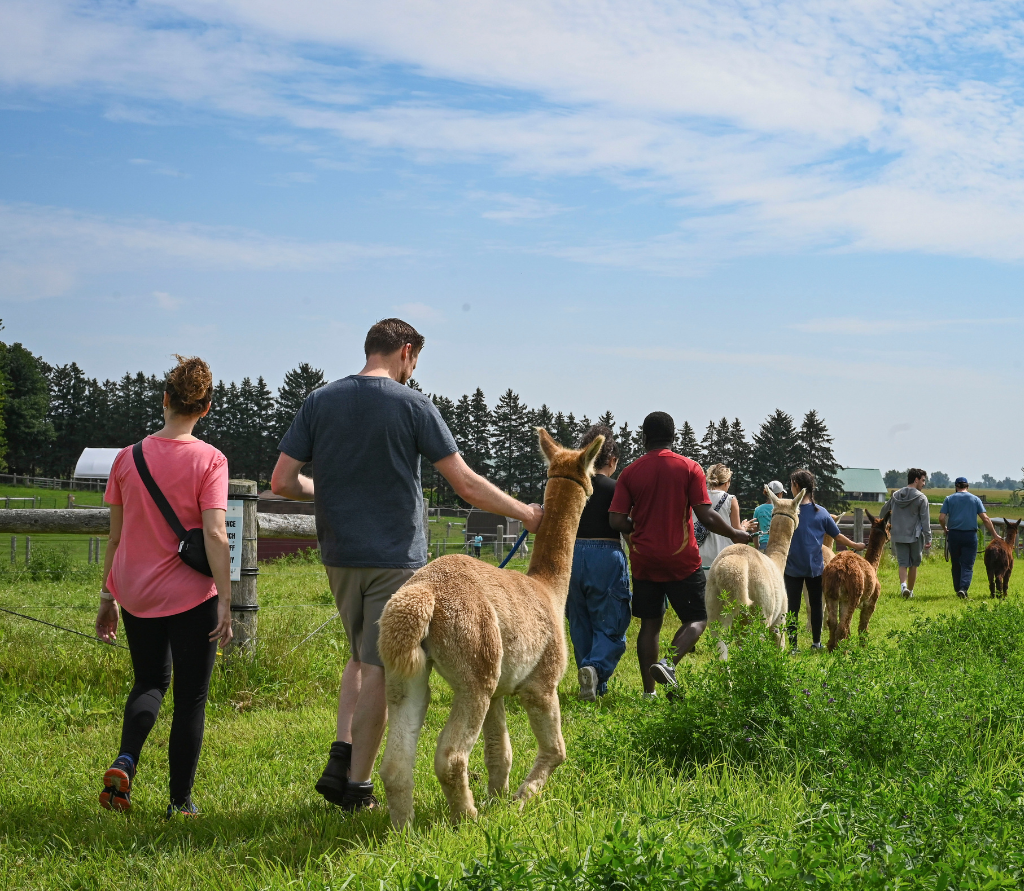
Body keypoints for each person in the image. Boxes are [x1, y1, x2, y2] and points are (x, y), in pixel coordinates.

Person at [272, 318, 544, 811]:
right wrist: (525, 512)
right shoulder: (414, 405)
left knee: (359, 655)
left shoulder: (320, 401)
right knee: (380, 667)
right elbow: (464, 483)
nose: (412, 370)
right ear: (406, 350)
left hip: (338, 554)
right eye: (414, 361)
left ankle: (341, 753)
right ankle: (356, 787)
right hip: (396, 557)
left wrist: (330, 493)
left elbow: (283, 482)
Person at [95, 355, 233, 819]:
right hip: (191, 597)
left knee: (150, 682)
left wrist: (107, 597)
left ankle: (125, 761)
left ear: (166, 399)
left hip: (134, 592)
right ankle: (180, 803)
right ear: (206, 408)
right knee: (190, 697)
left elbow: (115, 536)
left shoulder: (126, 458)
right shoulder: (211, 460)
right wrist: (226, 601)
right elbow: (214, 534)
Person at [607, 411, 754, 696]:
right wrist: (736, 533)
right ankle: (668, 663)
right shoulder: (690, 468)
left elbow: (616, 520)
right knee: (698, 617)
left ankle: (648, 694)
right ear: (673, 437)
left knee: (650, 625)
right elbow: (706, 515)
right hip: (680, 559)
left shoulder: (630, 472)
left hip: (644, 560)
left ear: (644, 437)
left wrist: (637, 528)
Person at [567, 425, 631, 701]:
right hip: (605, 552)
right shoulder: (615, 489)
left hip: (571, 555)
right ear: (613, 460)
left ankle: (590, 678)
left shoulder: (573, 485)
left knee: (579, 620)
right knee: (611, 620)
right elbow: (626, 527)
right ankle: (596, 668)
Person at [783, 470, 864, 650]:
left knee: (798, 607)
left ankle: (801, 645)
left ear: (797, 486)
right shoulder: (808, 511)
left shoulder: (807, 512)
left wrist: (855, 545)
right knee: (811, 606)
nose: (790, 488)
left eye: (791, 484)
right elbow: (838, 536)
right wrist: (855, 544)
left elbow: (837, 535)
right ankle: (811, 643)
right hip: (808, 568)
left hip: (803, 569)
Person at [938, 476, 1001, 599]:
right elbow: (985, 519)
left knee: (956, 563)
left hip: (954, 534)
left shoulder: (949, 499)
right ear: (968, 486)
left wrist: (945, 529)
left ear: (956, 486)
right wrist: (994, 534)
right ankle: (963, 588)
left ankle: (958, 589)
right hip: (970, 535)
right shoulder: (975, 499)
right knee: (967, 564)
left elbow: (941, 518)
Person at [881, 468, 932, 599]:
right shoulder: (921, 498)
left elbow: (883, 512)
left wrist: (888, 525)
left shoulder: (896, 495)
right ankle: (910, 591)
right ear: (916, 480)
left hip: (897, 534)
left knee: (902, 563)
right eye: (923, 480)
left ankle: (903, 586)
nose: (924, 484)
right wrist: (928, 538)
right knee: (914, 563)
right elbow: (925, 521)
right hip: (914, 536)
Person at [695, 463, 743, 577]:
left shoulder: (697, 496)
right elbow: (736, 530)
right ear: (727, 482)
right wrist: (745, 527)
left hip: (699, 552)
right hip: (723, 553)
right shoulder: (730, 499)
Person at [750, 479, 786, 550]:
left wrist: (758, 548)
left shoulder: (758, 509)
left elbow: (754, 532)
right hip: (779, 545)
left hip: (764, 545)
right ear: (779, 494)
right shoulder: (782, 509)